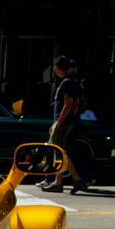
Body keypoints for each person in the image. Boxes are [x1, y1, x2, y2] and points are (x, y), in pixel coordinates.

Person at [41, 56, 93, 194]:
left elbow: (69, 104)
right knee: (62, 151)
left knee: (59, 150)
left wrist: (59, 121)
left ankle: (67, 180)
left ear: (58, 68)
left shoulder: (67, 83)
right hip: (68, 121)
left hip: (64, 122)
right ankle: (64, 180)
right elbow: (76, 105)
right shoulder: (73, 82)